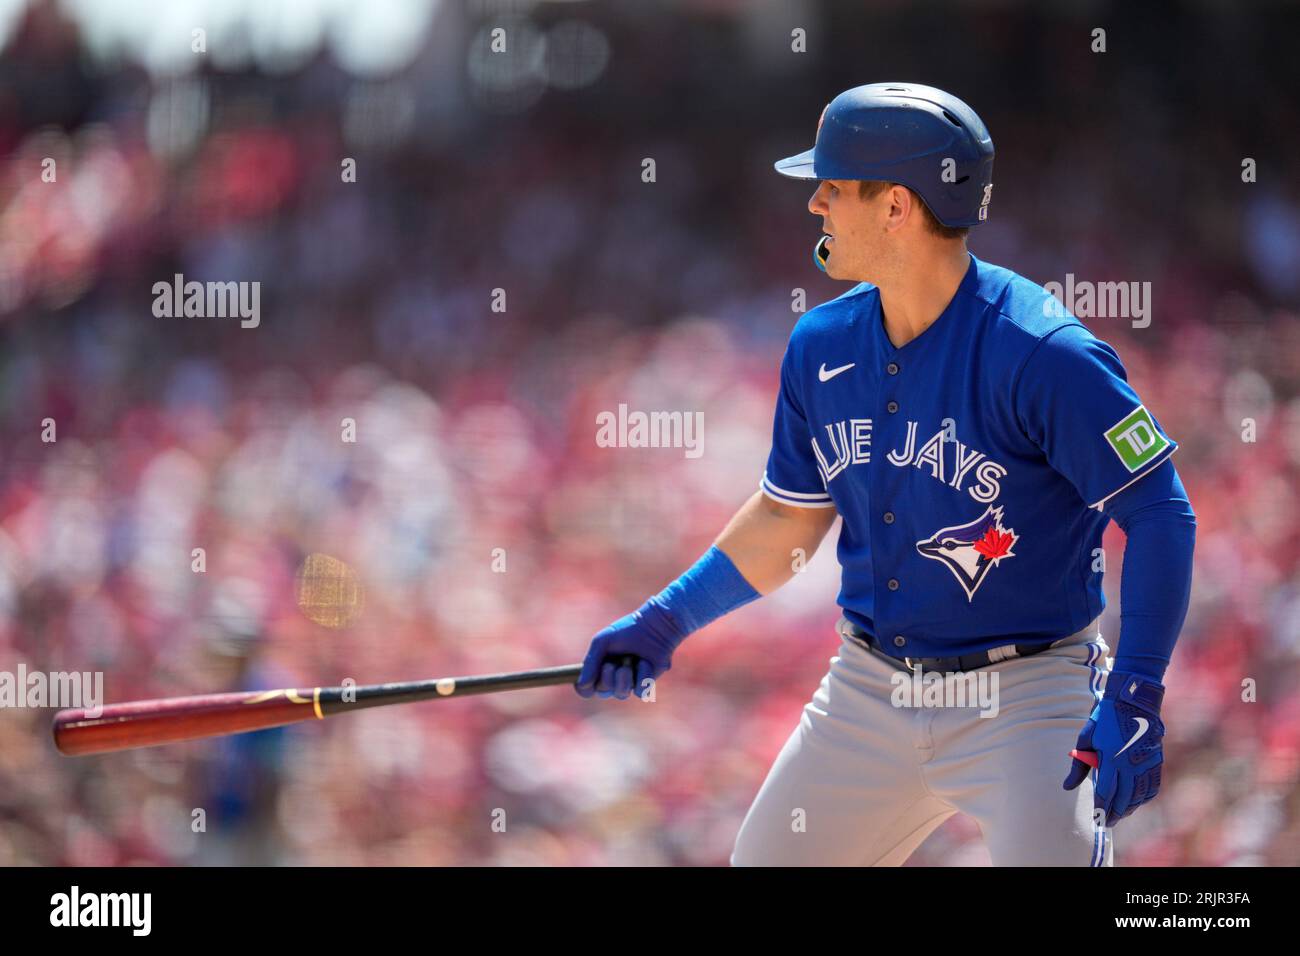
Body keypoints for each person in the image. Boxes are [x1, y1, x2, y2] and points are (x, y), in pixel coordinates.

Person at [575, 83, 1196, 866]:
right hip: (870, 689)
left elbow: (1161, 513)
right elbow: (787, 520)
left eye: (832, 187)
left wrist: (1137, 689)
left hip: (1028, 697)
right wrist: (668, 619)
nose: (816, 205)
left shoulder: (1045, 352)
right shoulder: (820, 344)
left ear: (897, 207)